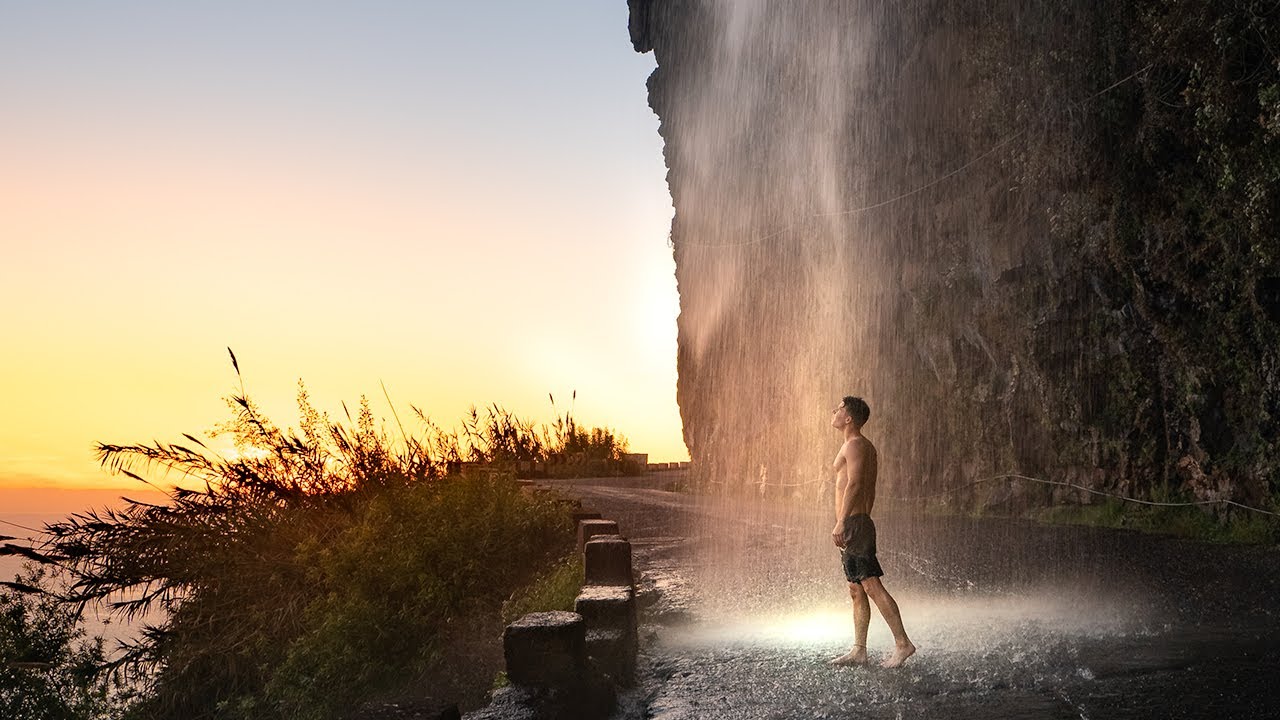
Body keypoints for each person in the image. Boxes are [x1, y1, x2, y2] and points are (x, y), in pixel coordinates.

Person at [827, 396, 915, 668]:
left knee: (871, 584)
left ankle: (903, 644)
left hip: (855, 523)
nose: (834, 412)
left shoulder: (855, 445)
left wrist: (843, 521)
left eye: (839, 409)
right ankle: (859, 650)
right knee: (856, 588)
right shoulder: (855, 445)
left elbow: (854, 484)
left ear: (849, 418)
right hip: (854, 523)